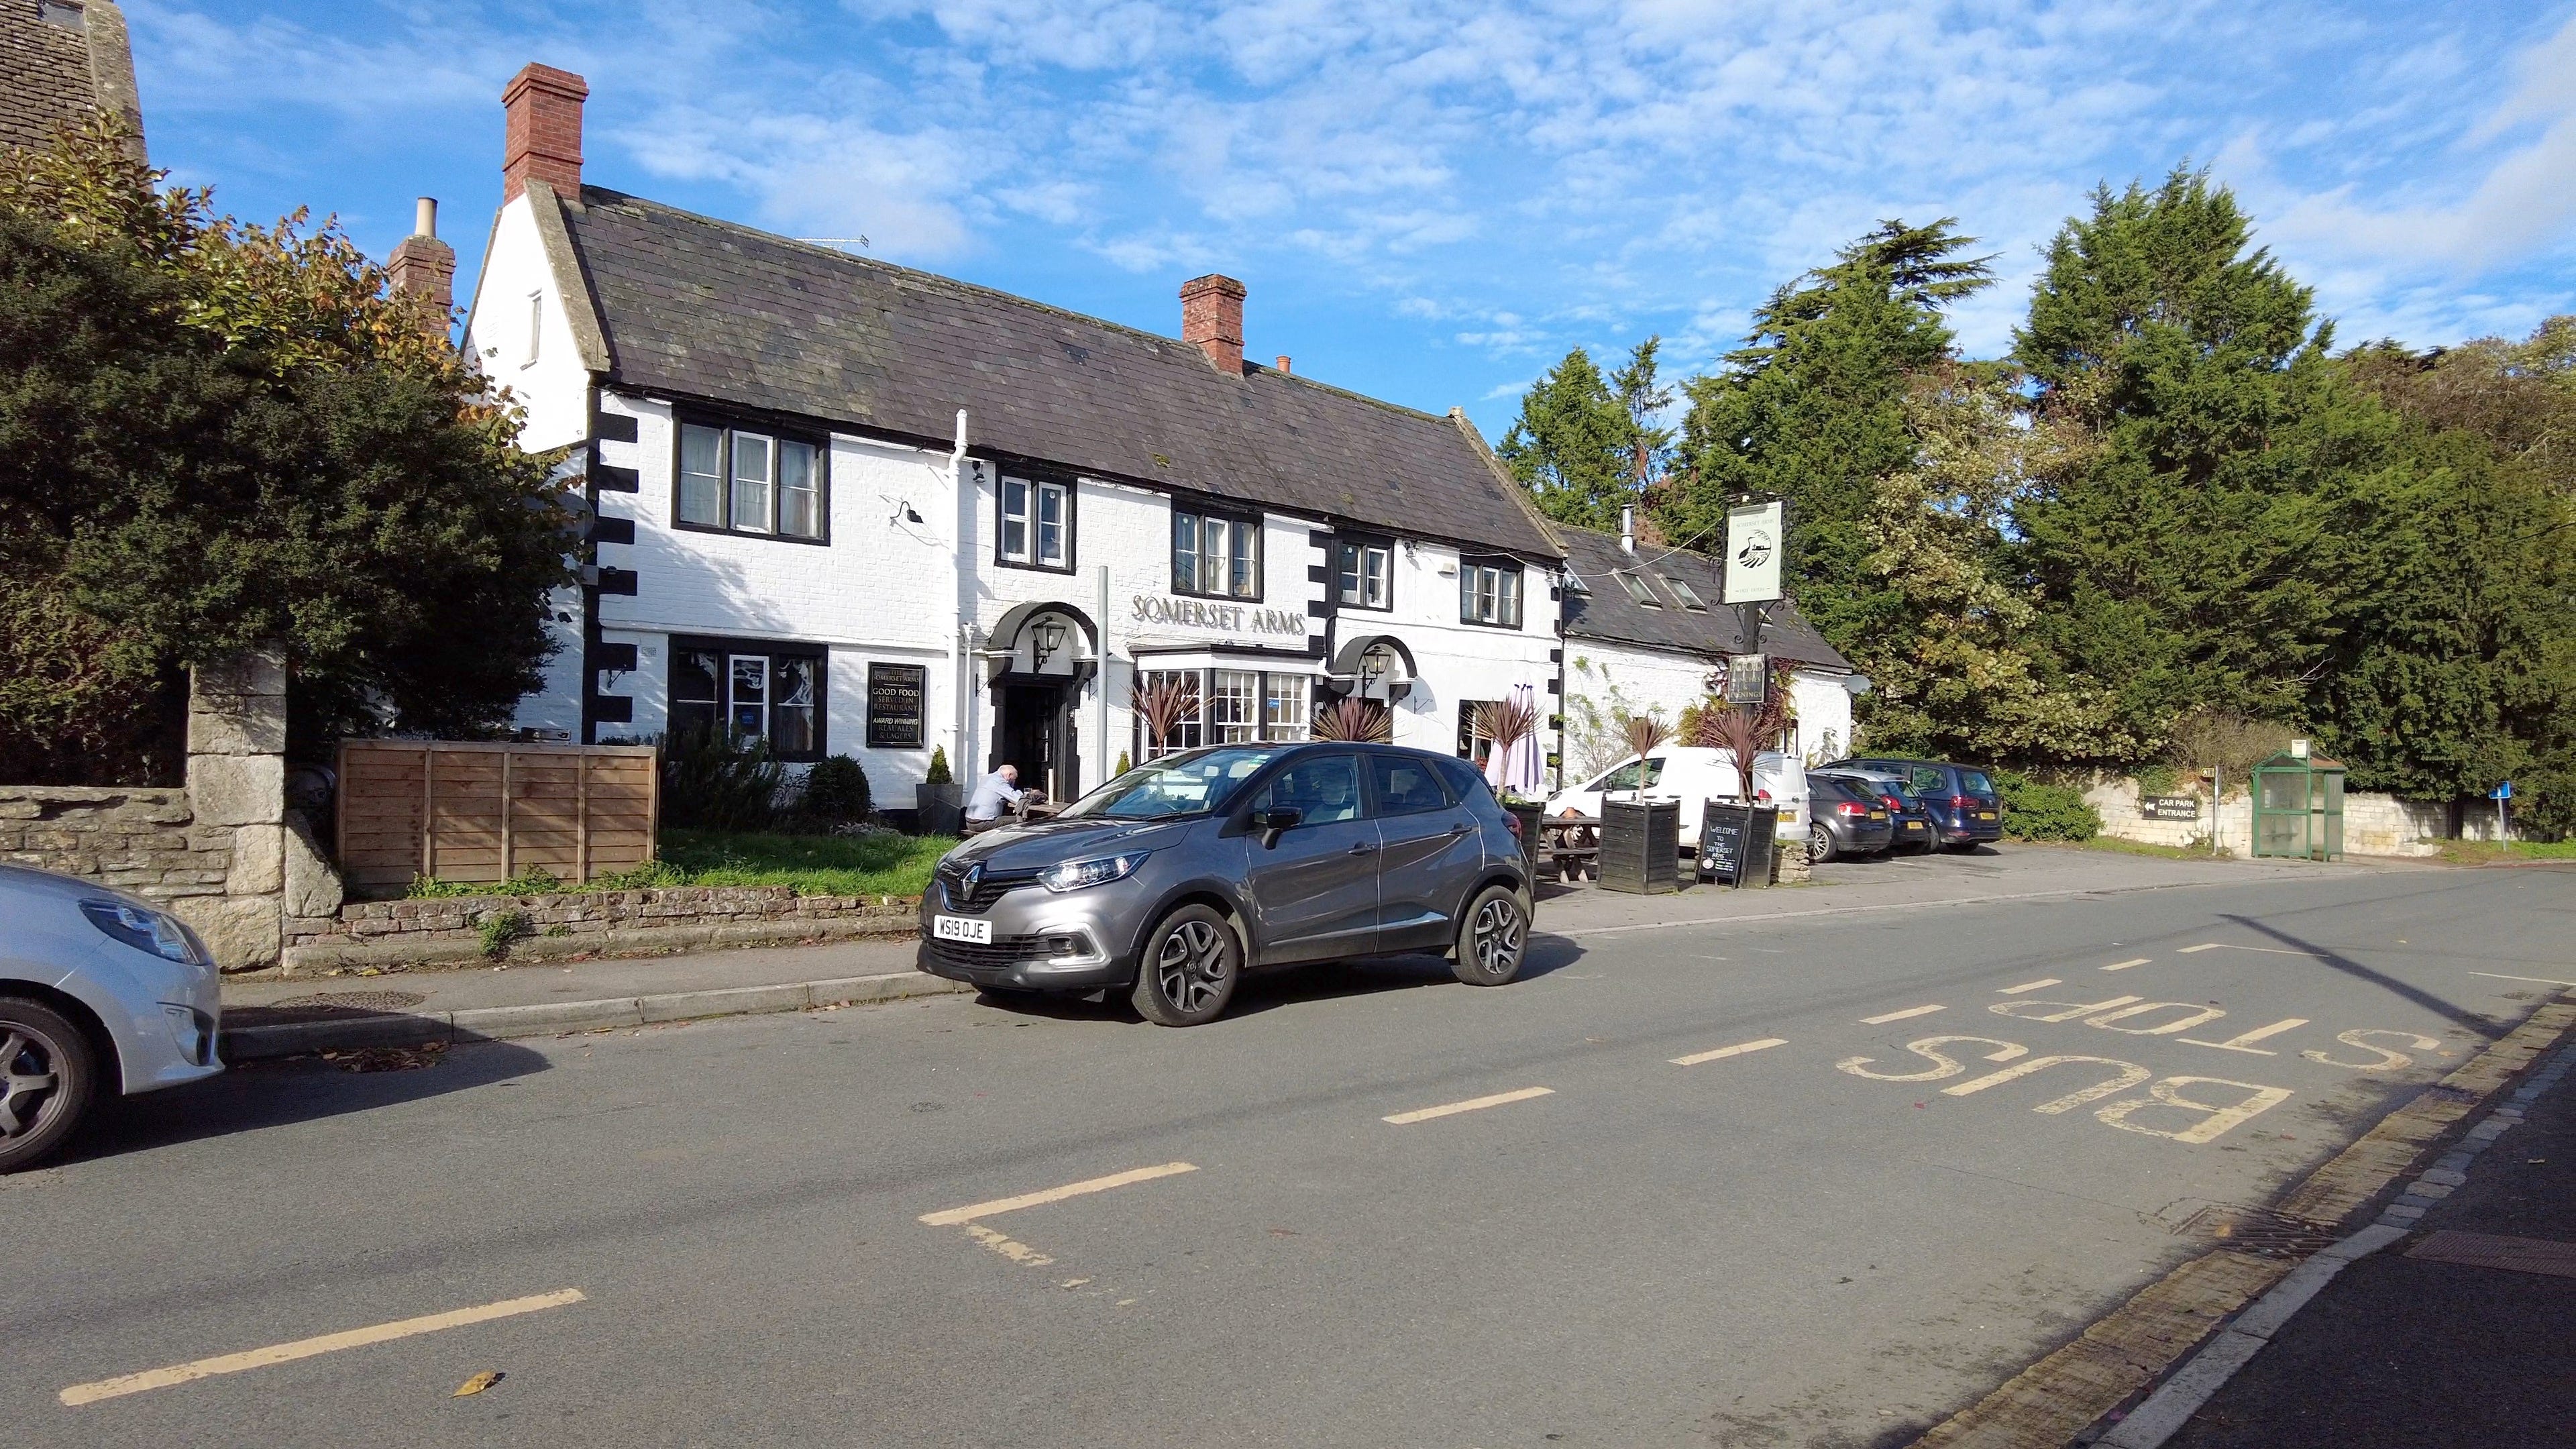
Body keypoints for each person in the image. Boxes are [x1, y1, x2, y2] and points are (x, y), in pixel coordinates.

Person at [964, 763, 1021, 829]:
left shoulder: (988, 777)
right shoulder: (1000, 782)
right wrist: (1019, 791)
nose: (1014, 781)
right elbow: (1018, 800)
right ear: (1009, 775)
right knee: (1021, 819)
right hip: (982, 823)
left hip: (969, 822)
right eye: (1014, 779)